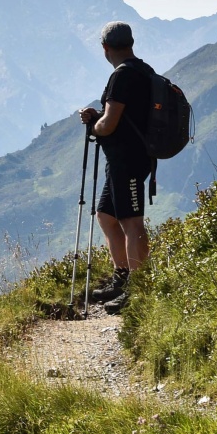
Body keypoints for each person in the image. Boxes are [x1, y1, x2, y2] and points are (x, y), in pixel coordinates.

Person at [77, 21, 155, 313]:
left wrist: (94, 125)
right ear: (131, 43)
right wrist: (99, 116)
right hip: (127, 159)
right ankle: (122, 278)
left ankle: (138, 289)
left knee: (132, 223)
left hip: (128, 161)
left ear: (105, 48)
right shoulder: (143, 70)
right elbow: (124, 115)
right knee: (107, 216)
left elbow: (109, 125)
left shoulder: (122, 76)